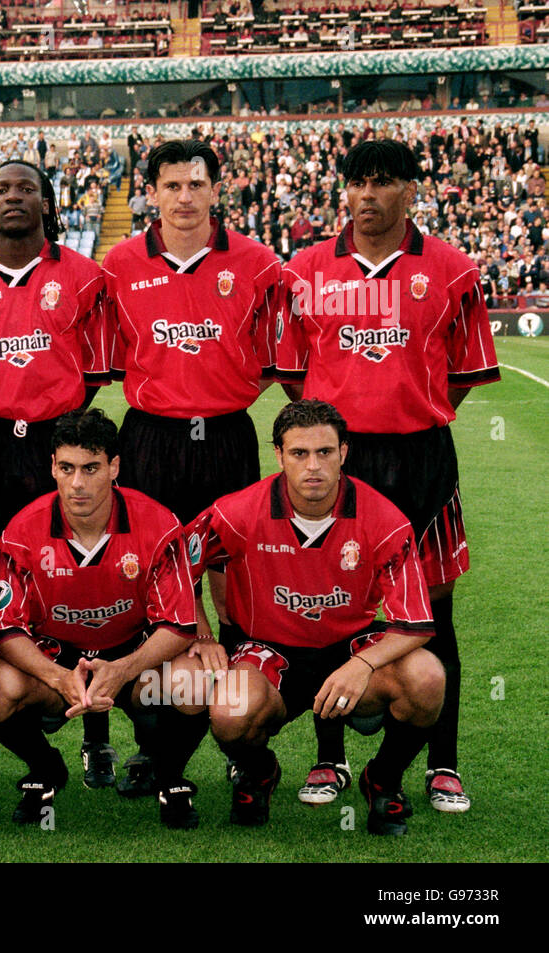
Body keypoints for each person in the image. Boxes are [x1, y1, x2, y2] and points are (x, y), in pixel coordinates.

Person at [276, 139, 499, 814]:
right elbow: (294, 376)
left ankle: (444, 763)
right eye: (357, 183)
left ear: (411, 190)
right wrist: (340, 435)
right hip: (336, 460)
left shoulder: (453, 270)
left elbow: (460, 377)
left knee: (434, 614)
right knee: (329, 612)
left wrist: (410, 413)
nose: (367, 195)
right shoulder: (307, 268)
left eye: (383, 182)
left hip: (421, 457)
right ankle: (329, 757)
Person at [100, 138, 282, 797]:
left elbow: (276, 356)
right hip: (150, 436)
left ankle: (241, 731)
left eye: (195, 184)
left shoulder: (258, 263)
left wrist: (221, 395)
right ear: (150, 191)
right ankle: (157, 748)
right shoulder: (119, 263)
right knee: (151, 585)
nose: (183, 196)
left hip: (227, 438)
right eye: (171, 184)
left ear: (216, 189)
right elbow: (113, 355)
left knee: (236, 579)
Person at [185, 400, 444, 835]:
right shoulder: (237, 512)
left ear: (344, 452)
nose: (313, 466)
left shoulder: (385, 520)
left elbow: (414, 624)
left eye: (325, 452)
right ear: (279, 455)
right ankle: (259, 772)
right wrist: (203, 632)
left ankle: (382, 780)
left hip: (349, 647)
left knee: (427, 678)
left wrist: (362, 665)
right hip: (267, 650)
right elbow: (171, 567)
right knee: (229, 712)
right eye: (299, 454)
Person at [0, 158, 114, 787]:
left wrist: (54, 419)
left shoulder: (86, 275)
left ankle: (93, 724)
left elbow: (94, 371)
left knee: (73, 574)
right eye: (1, 189)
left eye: (26, 189)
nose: (13, 197)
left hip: (55, 441)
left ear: (48, 201)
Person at [0, 409, 223, 830]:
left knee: (195, 682)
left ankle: (169, 776)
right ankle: (45, 770)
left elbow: (179, 624)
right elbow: (4, 629)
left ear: (114, 467)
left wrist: (125, 668)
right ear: (52, 466)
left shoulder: (158, 523)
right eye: (67, 468)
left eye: (91, 468)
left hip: (132, 652)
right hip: (56, 657)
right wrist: (56, 677)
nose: (78, 483)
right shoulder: (22, 530)